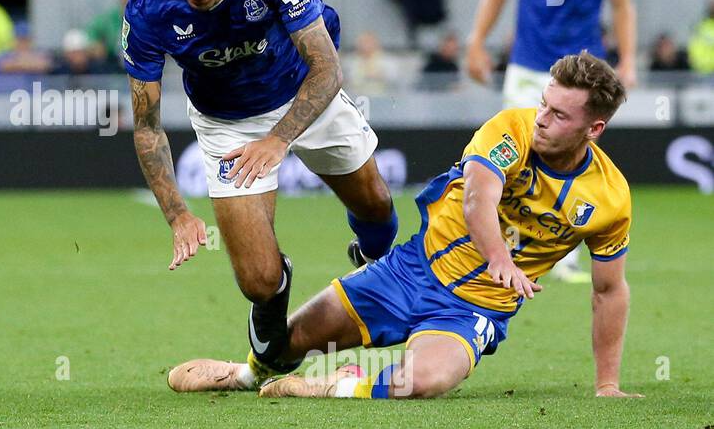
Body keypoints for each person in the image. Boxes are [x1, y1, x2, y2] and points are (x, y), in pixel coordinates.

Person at [170, 53, 640, 401]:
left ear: (593, 129)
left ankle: (329, 386)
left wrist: (607, 384)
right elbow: (480, 196)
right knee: (287, 344)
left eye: (559, 115)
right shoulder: (510, 128)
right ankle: (246, 374)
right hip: (408, 269)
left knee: (426, 381)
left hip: (472, 310)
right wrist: (500, 258)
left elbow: (609, 291)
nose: (541, 119)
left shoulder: (610, 198)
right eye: (543, 105)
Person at [124, 0, 397, 388]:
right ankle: (273, 344)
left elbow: (328, 66)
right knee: (258, 280)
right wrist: (179, 215)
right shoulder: (148, 7)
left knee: (376, 203)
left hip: (305, 92)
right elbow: (146, 125)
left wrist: (278, 139)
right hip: (228, 123)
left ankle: (376, 262)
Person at [465, 0, 635, 283]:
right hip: (528, 64)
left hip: (583, 74)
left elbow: (621, 4)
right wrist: (476, 43)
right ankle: (496, 241)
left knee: (572, 156)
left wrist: (628, 59)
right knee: (516, 153)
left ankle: (564, 252)